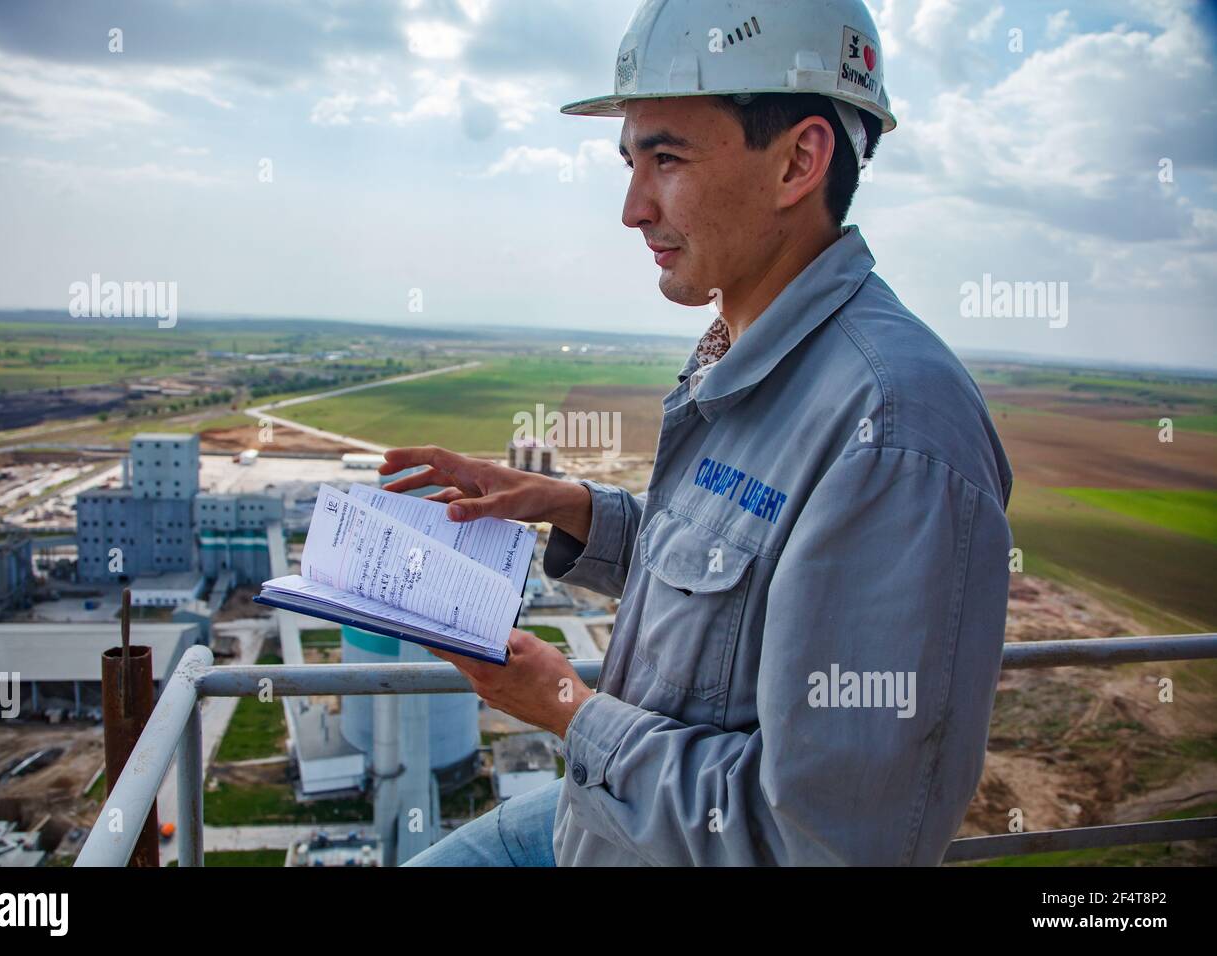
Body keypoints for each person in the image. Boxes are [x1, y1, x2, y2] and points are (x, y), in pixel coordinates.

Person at [393, 0, 1012, 866]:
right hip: (604, 825)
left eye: (667, 158)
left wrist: (566, 702)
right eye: (628, 162)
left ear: (799, 159)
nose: (632, 208)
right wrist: (568, 506)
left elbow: (821, 844)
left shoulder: (894, 432)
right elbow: (743, 582)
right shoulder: (756, 355)